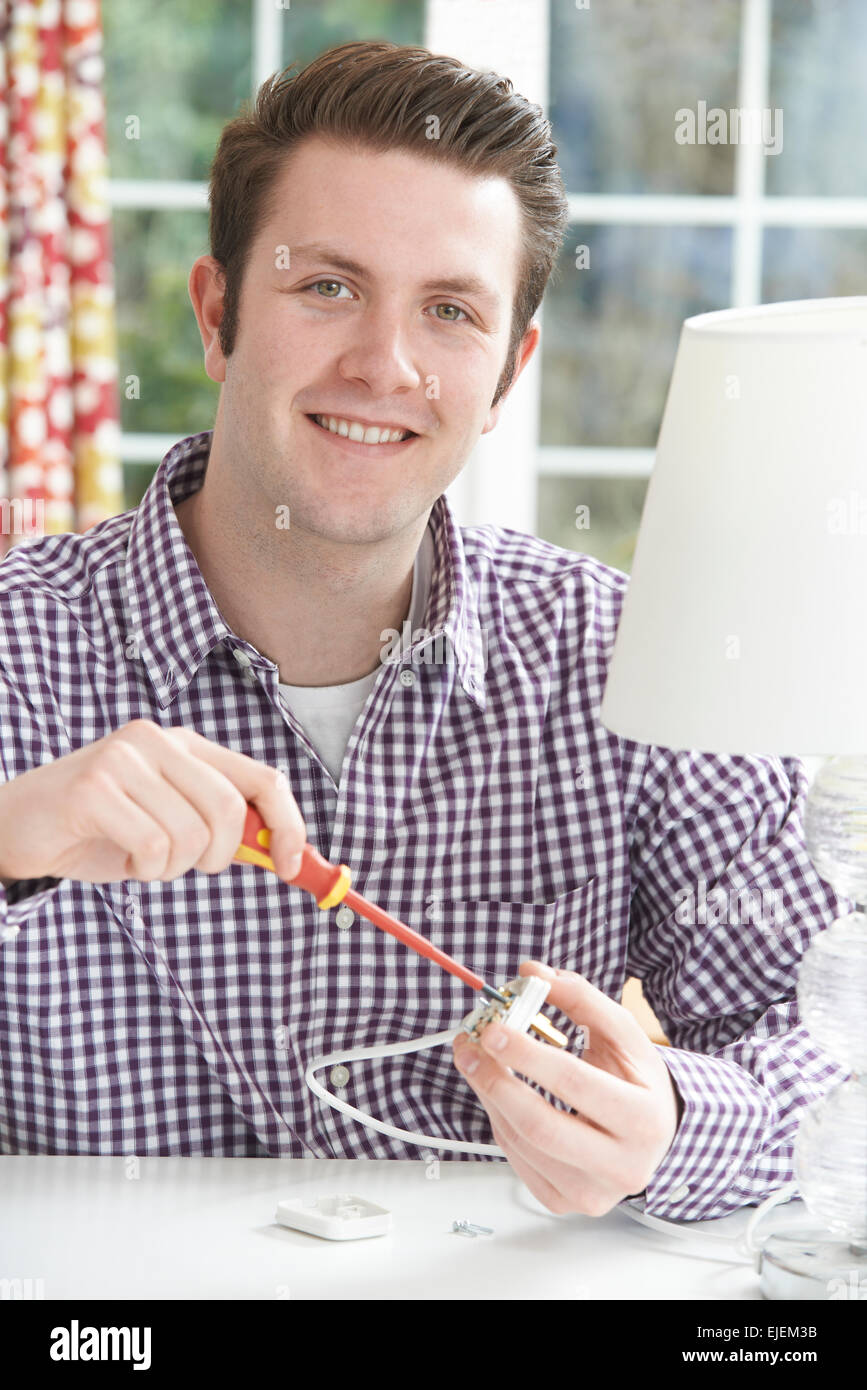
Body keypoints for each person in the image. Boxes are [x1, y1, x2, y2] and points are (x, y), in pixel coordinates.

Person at [0, 40, 850, 1222]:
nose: (382, 364)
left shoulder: (616, 658)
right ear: (216, 314)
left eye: (450, 311)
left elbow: (831, 1036)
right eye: (328, 287)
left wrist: (673, 1131)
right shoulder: (16, 652)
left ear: (508, 375)